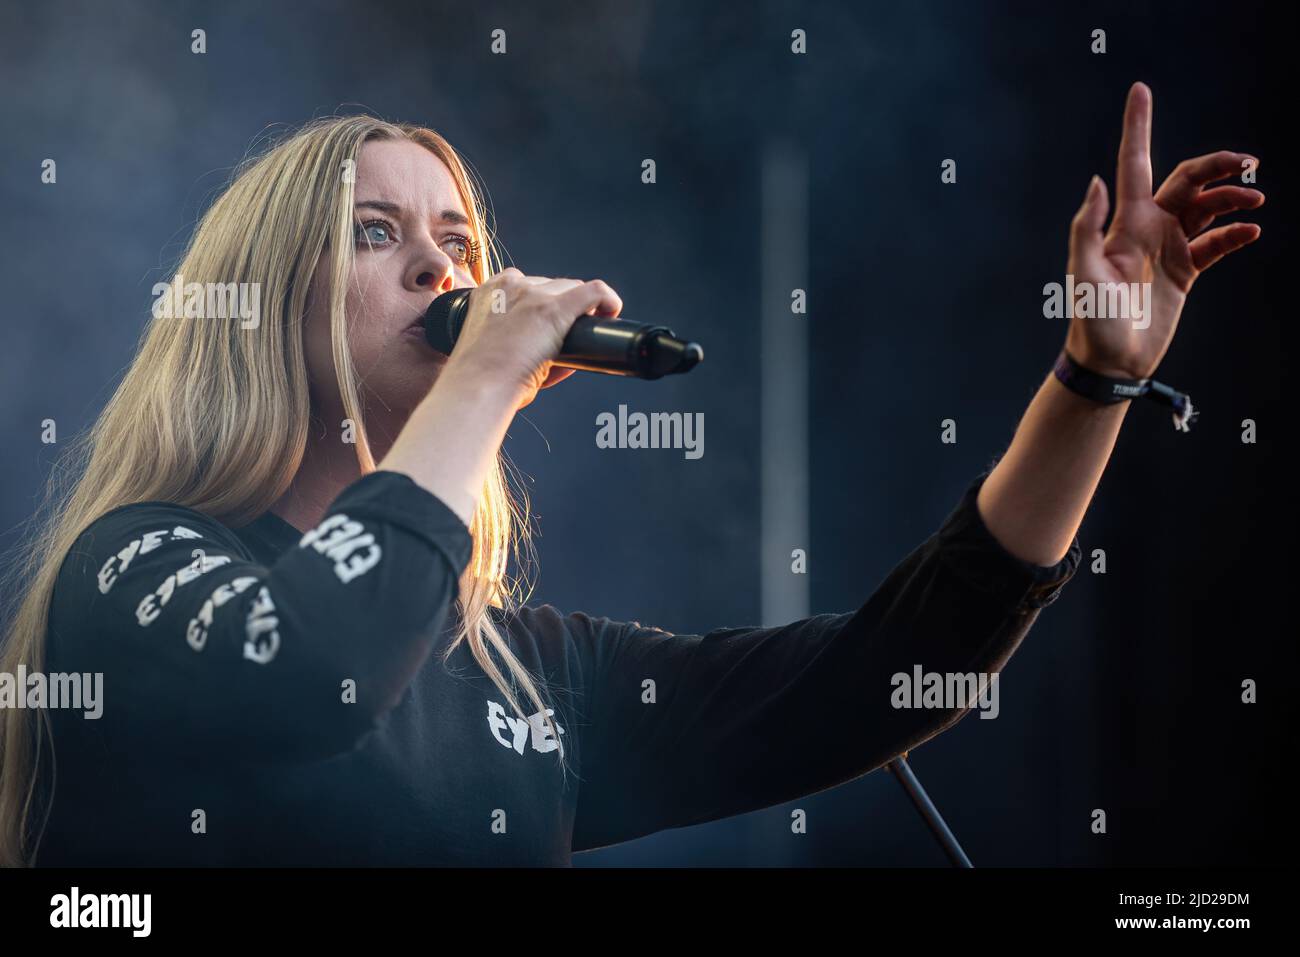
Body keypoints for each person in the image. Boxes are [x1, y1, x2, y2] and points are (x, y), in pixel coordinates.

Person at [0, 82, 1262, 866]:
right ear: (261, 309)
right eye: (374, 236)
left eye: (458, 241)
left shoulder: (523, 672)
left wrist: (1093, 382)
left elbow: (881, 680)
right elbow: (314, 669)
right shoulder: (135, 569)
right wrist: (484, 381)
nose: (440, 273)